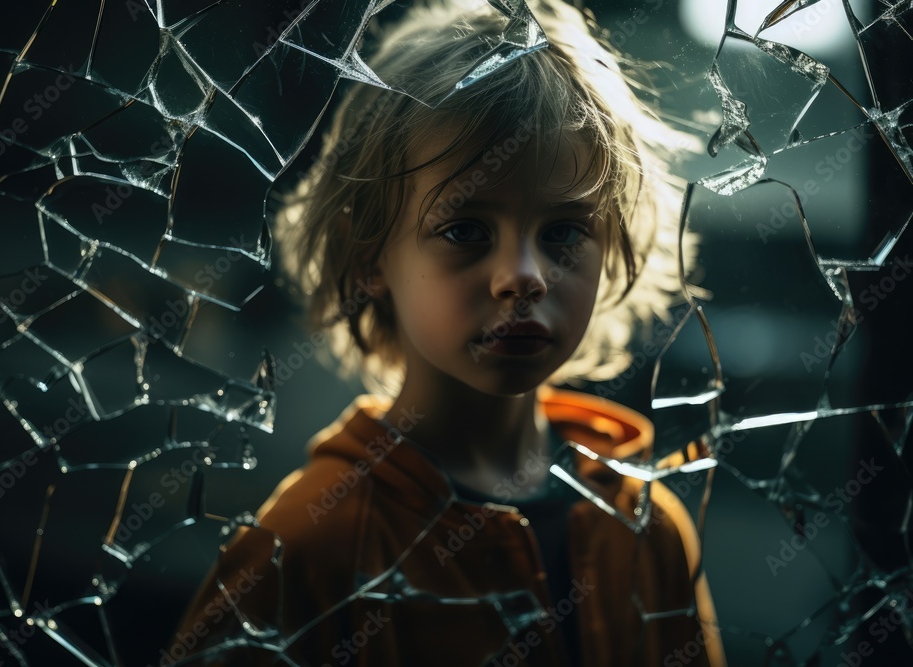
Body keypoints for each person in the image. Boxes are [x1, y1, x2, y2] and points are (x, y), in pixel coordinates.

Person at [168, 0, 725, 665]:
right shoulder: (305, 549)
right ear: (368, 254)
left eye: (563, 232)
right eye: (465, 230)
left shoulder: (649, 528)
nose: (523, 277)